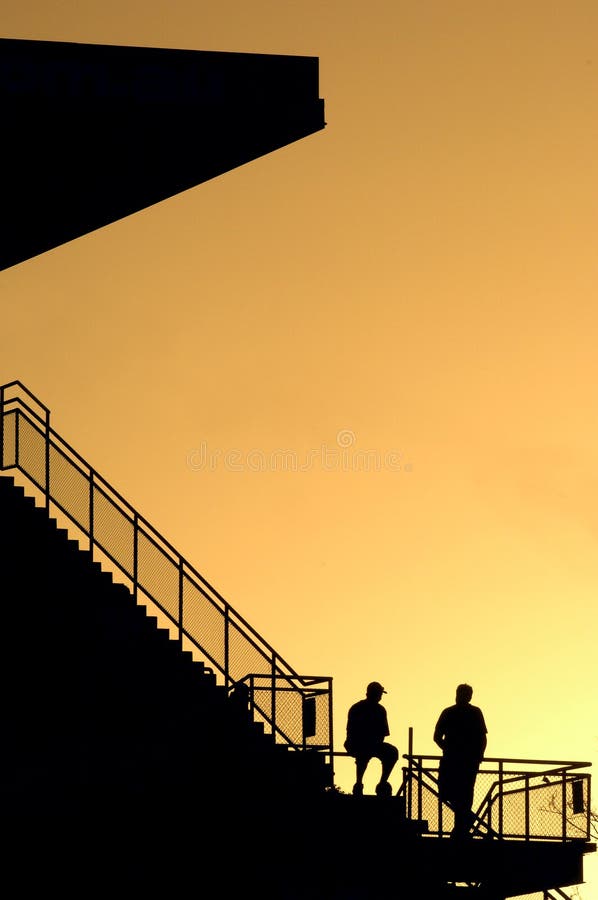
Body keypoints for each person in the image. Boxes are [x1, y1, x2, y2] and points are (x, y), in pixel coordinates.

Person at [433, 683, 487, 837]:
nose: (464, 696)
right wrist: (448, 750)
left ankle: (460, 828)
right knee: (447, 792)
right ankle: (467, 819)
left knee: (464, 794)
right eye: (462, 693)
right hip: (453, 760)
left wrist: (478, 755)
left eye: (466, 694)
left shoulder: (475, 712)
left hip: (467, 761)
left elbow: (482, 737)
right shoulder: (449, 712)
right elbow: (436, 737)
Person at [344, 681, 399, 797]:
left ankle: (381, 783)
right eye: (379, 694)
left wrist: (374, 743)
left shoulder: (378, 710)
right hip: (356, 743)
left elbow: (382, 734)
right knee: (364, 752)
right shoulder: (360, 708)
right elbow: (352, 731)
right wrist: (370, 742)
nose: (380, 696)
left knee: (393, 752)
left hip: (369, 743)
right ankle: (359, 783)